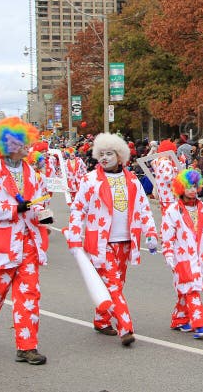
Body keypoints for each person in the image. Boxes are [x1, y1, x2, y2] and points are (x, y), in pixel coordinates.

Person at [0, 117, 50, 364]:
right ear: (9, 144)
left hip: (28, 243)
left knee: (29, 294)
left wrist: (44, 214)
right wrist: (14, 208)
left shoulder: (32, 174)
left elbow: (38, 203)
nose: (28, 147)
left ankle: (27, 346)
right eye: (23, 143)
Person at [66, 133, 159, 346]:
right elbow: (78, 209)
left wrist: (151, 233)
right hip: (100, 242)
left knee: (117, 284)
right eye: (101, 154)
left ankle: (101, 320)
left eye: (110, 154)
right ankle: (125, 327)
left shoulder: (133, 180)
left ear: (120, 157)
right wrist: (74, 236)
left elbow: (143, 210)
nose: (105, 158)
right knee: (114, 286)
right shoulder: (90, 180)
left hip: (126, 241)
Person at [161, 169, 203, 339]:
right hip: (182, 257)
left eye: (194, 186)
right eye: (188, 186)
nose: (192, 190)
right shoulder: (172, 211)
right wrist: (168, 255)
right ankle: (201, 324)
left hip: (201, 257)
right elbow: (167, 236)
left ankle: (179, 319)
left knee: (188, 288)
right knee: (191, 287)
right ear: (181, 188)